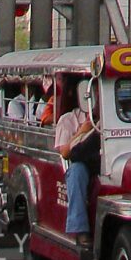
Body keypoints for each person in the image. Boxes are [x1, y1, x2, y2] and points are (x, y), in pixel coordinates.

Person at [55, 81, 98, 243]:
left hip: (107, 160)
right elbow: (65, 152)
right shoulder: (68, 119)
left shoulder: (113, 115)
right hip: (82, 162)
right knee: (77, 171)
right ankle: (79, 228)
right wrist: (83, 130)